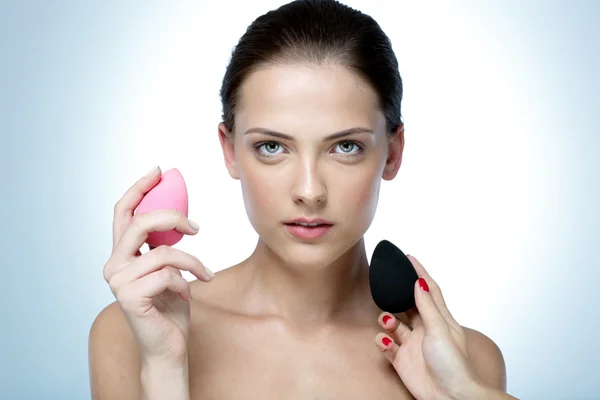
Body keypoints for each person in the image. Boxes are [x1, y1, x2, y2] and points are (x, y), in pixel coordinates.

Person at [89, 0, 520, 399]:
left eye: (345, 146)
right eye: (272, 147)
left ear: (393, 152)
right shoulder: (133, 334)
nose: (309, 191)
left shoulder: (464, 364)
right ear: (229, 149)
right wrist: (164, 369)